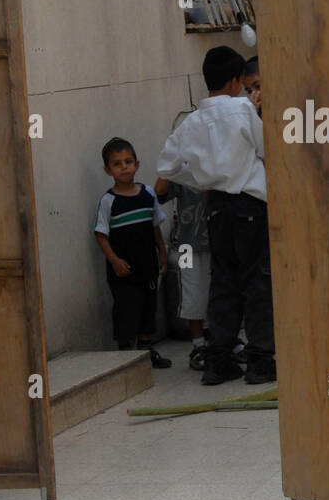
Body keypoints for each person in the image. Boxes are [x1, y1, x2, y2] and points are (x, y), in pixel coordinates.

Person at [157, 46, 275, 385]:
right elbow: (266, 149)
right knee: (257, 283)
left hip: (216, 208)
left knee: (223, 283)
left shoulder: (192, 121)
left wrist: (200, 181)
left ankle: (218, 360)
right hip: (250, 205)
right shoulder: (241, 110)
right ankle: (260, 361)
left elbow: (166, 166)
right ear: (236, 82)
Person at [93, 137, 171, 368]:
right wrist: (115, 261)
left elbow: (155, 226)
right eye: (117, 164)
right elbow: (100, 234)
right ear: (108, 170)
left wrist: (163, 254)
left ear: (137, 164)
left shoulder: (148, 194)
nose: (124, 167)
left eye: (128, 161)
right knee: (126, 307)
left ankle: (146, 351)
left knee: (148, 305)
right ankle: (125, 356)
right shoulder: (108, 201)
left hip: (147, 264)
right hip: (123, 270)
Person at [153, 175, 216, 370]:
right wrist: (173, 161)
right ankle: (198, 345)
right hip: (187, 247)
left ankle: (220, 341)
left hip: (217, 243)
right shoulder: (183, 169)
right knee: (192, 294)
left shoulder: (219, 162)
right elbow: (159, 191)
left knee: (219, 293)